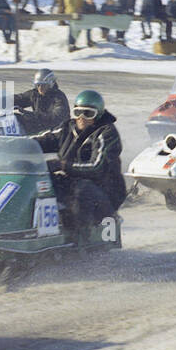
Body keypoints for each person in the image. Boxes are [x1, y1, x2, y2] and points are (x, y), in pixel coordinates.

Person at [32, 88, 126, 241]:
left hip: (104, 189)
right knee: (39, 182)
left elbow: (97, 167)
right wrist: (13, 143)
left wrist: (62, 165)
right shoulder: (67, 128)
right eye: (78, 113)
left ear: (99, 114)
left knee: (82, 191)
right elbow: (42, 139)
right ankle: (34, 229)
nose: (82, 118)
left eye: (88, 113)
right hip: (73, 180)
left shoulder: (106, 133)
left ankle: (79, 239)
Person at [12, 67, 70, 133]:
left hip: (57, 133)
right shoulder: (34, 94)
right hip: (40, 128)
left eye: (43, 85)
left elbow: (56, 118)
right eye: (38, 85)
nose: (40, 88)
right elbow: (20, 98)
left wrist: (31, 115)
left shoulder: (59, 98)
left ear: (51, 84)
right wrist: (2, 101)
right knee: (15, 118)